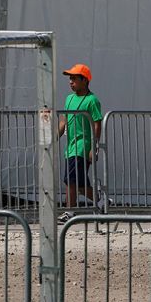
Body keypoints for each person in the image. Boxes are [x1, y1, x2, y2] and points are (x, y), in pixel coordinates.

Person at [56, 63, 105, 223]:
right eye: (70, 79)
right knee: (77, 182)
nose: (71, 82)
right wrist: (54, 137)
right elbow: (63, 120)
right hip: (70, 147)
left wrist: (93, 147)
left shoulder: (92, 100)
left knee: (72, 180)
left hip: (82, 146)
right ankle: (101, 200)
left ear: (85, 80)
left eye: (74, 79)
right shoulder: (69, 98)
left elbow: (97, 124)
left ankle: (69, 212)